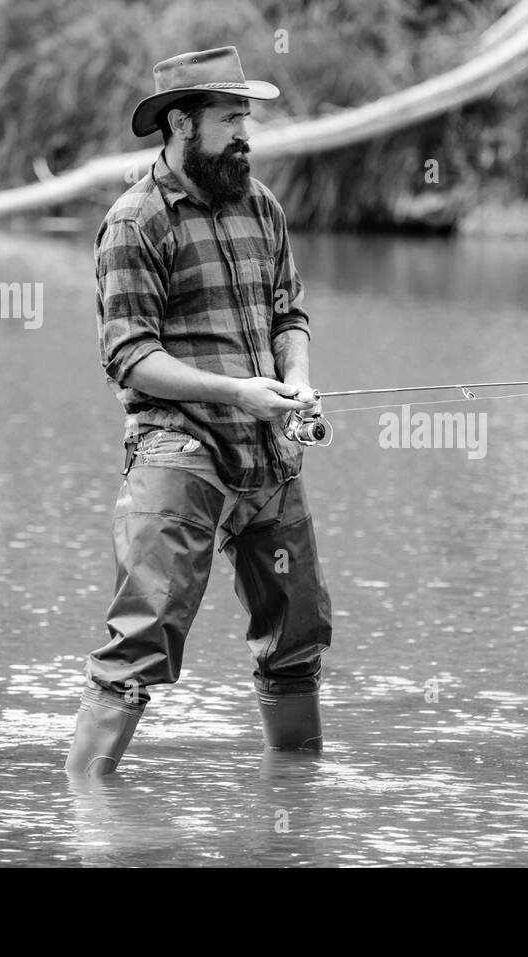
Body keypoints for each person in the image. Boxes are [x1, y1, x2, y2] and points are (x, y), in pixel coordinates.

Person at [65, 46, 333, 777]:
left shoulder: (262, 206)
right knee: (142, 639)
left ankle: (297, 795)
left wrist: (295, 380)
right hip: (177, 448)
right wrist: (238, 391)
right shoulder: (134, 222)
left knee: (298, 633)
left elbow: (289, 313)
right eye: (230, 118)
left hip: (269, 450)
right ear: (181, 124)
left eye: (246, 117)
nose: (246, 132)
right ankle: (86, 804)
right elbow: (130, 358)